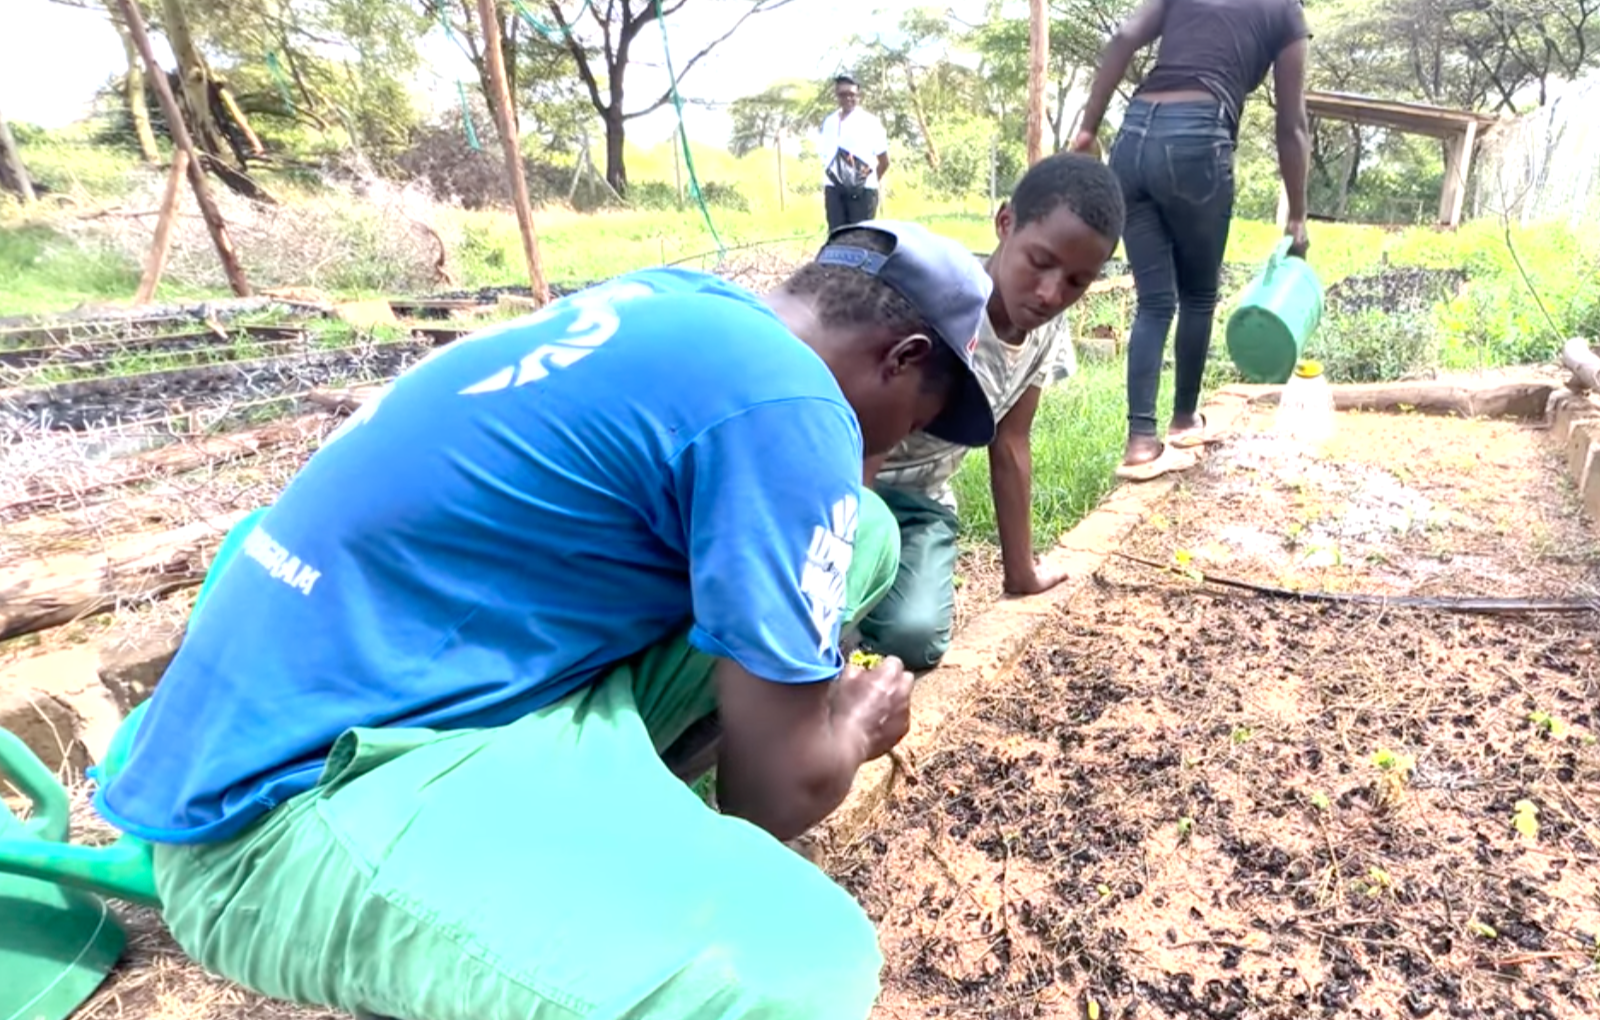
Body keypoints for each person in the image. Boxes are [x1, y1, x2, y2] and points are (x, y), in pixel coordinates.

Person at [92, 221, 996, 1020]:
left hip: (391, 697)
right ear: (902, 356)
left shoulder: (669, 305)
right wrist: (851, 729)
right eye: (907, 424)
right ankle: (559, 924)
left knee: (862, 531)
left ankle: (579, 864)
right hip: (275, 820)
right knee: (795, 969)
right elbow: (773, 795)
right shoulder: (791, 403)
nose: (882, 450)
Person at [858, 153, 1124, 670]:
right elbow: (864, 434)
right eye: (1039, 262)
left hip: (919, 504)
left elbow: (1011, 442)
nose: (1050, 294)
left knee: (916, 638)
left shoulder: (1047, 332)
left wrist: (1021, 572)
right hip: (850, 482)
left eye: (1076, 282)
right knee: (822, 608)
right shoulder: (939, 304)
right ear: (1005, 223)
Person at [1071, 0, 1311, 475]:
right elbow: (1292, 124)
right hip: (1198, 138)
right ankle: (1183, 420)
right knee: (1198, 293)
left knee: (1154, 302)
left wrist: (1087, 129)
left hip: (1133, 137)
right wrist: (1298, 217)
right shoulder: (1286, 10)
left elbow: (1123, 37)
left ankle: (1141, 441)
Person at [819, 74, 890, 231]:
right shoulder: (829, 122)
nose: (848, 98)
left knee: (860, 238)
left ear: (858, 95)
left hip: (863, 192)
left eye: (852, 94)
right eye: (842, 94)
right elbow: (825, 156)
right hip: (834, 190)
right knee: (837, 237)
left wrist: (866, 181)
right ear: (836, 95)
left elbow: (884, 161)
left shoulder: (870, 122)